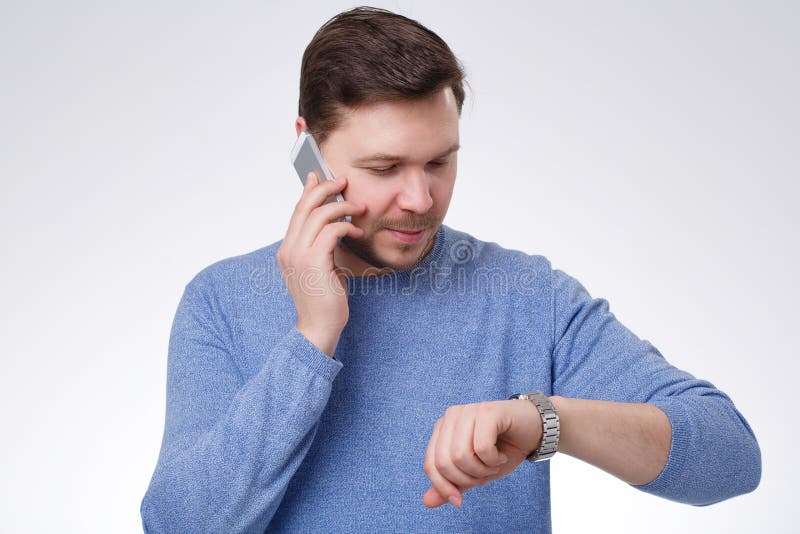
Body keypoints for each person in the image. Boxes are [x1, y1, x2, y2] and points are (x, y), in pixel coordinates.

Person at [140, 6, 761, 532]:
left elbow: (730, 457)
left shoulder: (525, 294)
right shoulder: (221, 300)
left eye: (440, 161)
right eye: (385, 169)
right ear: (310, 149)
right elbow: (178, 523)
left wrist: (543, 420)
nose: (420, 199)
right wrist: (314, 335)